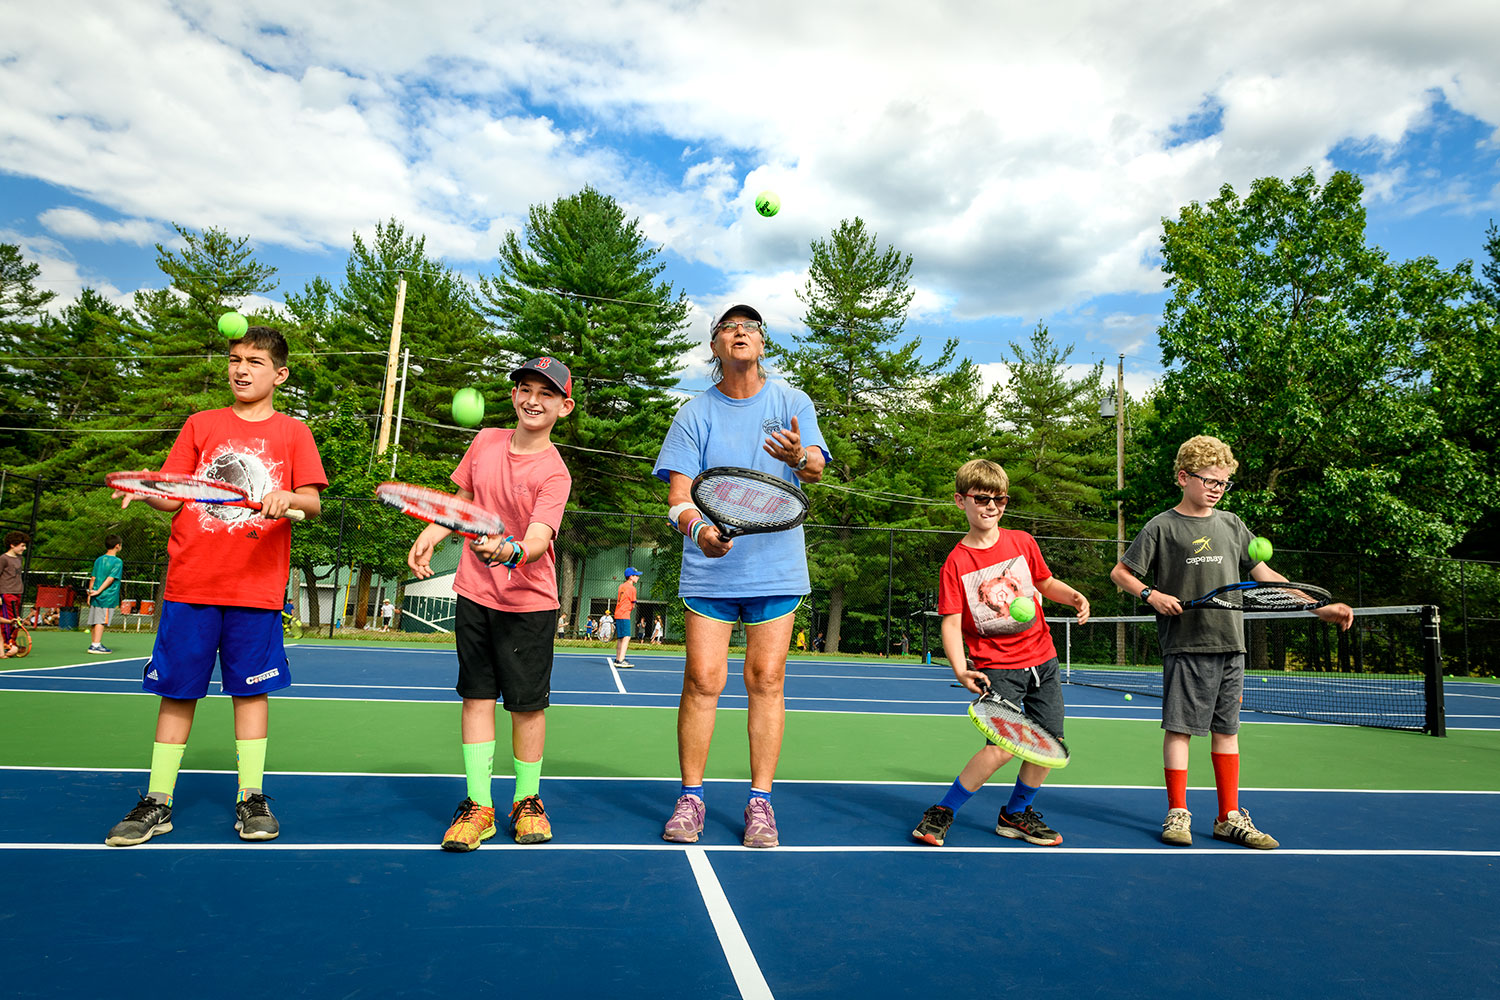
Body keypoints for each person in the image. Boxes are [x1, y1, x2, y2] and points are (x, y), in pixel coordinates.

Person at [104, 325, 326, 847]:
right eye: (234, 359)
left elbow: (312, 503)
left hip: (255, 589)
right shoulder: (200, 424)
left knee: (250, 693)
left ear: (280, 374)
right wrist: (148, 488)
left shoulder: (294, 433)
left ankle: (252, 797)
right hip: (191, 584)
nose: (241, 369)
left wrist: (287, 498)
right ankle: (157, 801)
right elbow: (172, 494)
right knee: (177, 692)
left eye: (254, 361)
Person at [1109, 435, 1353, 850]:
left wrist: (1318, 607)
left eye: (1223, 483)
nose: (1217, 489)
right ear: (1184, 477)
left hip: (1231, 645)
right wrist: (1152, 595)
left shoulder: (1233, 524)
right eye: (1209, 480)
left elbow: (1267, 577)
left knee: (1227, 731)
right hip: (1186, 645)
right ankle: (1178, 812)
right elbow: (1121, 573)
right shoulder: (1161, 526)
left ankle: (1229, 817)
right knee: (1181, 730)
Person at [655, 303, 828, 848]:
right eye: (728, 327)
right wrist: (699, 531)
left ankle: (760, 803)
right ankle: (691, 799)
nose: (739, 332)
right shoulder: (694, 414)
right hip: (710, 573)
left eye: (750, 327)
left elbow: (816, 468)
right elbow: (678, 498)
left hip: (776, 570)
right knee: (703, 680)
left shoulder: (792, 402)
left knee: (767, 680)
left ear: (761, 343)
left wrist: (799, 458)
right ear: (714, 346)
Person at [408, 357, 574, 851]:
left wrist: (509, 551)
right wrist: (434, 532)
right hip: (475, 594)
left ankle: (527, 801)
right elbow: (463, 502)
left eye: (545, 394)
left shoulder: (555, 472)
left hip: (529, 603)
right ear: (514, 395)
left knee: (526, 706)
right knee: (477, 697)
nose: (532, 400)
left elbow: (539, 538)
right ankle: (479, 805)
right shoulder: (484, 441)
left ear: (564, 407)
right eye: (525, 389)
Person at [911, 459, 1091, 848]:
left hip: (1043, 660)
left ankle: (1016, 814)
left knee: (1049, 742)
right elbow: (951, 623)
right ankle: (943, 810)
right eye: (982, 498)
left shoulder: (1022, 542)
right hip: (998, 668)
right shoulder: (956, 563)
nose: (992, 506)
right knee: (1001, 750)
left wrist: (1073, 596)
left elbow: (1045, 582)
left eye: (1000, 499)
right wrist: (960, 669)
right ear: (961, 501)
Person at [85, 534, 124, 654]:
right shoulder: (117, 562)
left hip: (95, 595)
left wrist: (90, 593)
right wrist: (98, 591)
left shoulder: (99, 560)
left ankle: (94, 643)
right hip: (106, 597)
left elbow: (93, 578)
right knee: (100, 621)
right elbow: (110, 579)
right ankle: (96, 645)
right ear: (117, 546)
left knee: (95, 621)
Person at [0, 531, 26, 658]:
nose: (24, 548)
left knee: (16, 620)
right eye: (22, 545)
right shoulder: (3, 559)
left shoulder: (20, 558)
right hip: (6, 593)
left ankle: (12, 642)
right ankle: (6, 644)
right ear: (12, 545)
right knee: (8, 619)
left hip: (17, 593)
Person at [611, 568, 641, 668]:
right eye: (636, 575)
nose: (638, 577)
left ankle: (618, 659)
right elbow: (633, 604)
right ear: (631, 577)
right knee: (627, 637)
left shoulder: (621, 586)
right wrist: (631, 607)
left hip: (618, 613)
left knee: (621, 637)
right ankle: (621, 660)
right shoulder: (632, 588)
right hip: (624, 614)